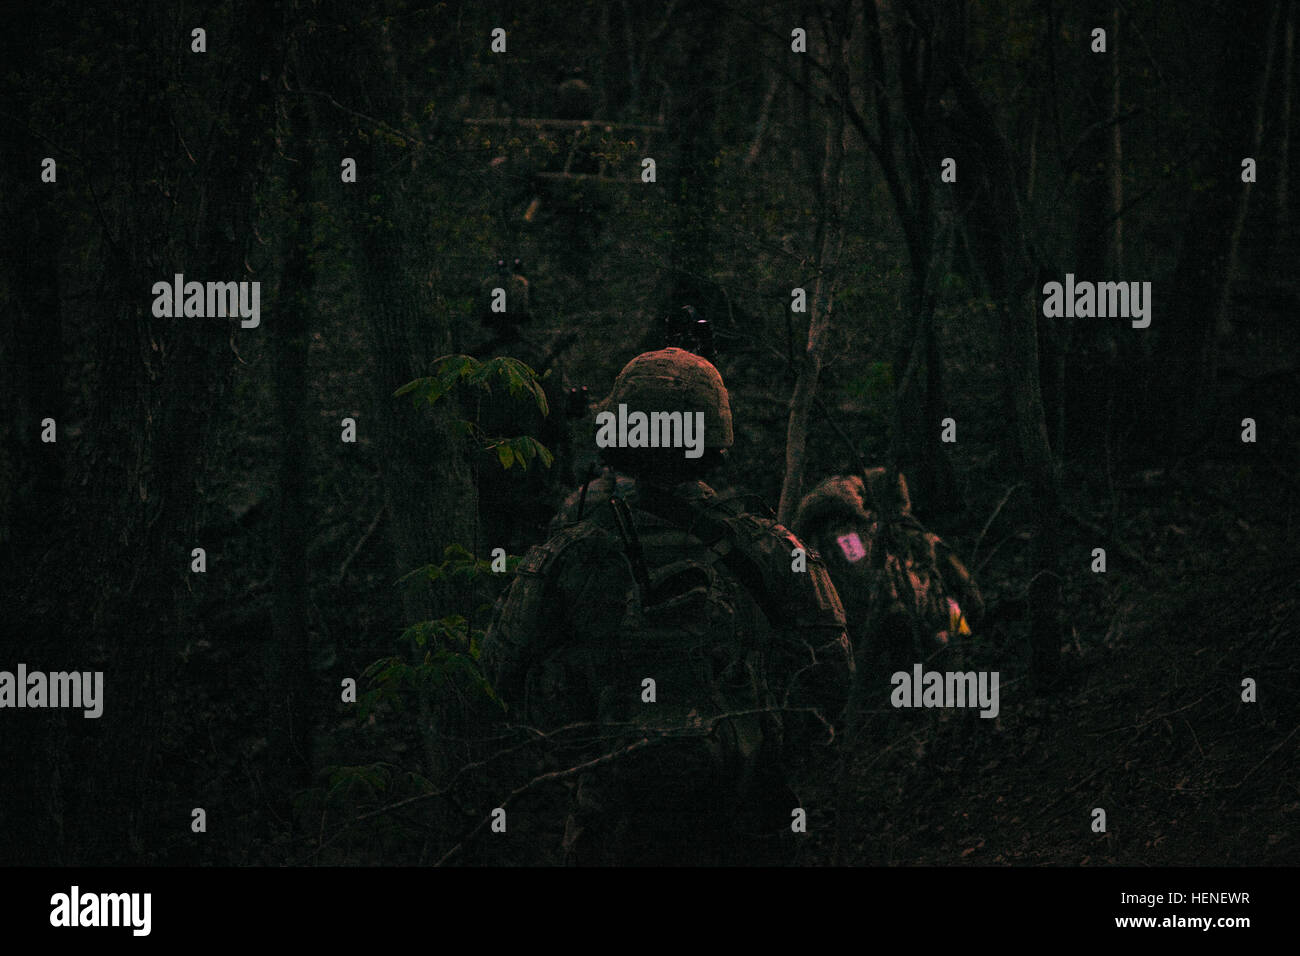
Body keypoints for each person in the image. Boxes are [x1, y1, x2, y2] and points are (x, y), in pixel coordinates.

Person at [480, 348, 853, 865]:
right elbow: (833, 676)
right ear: (716, 440)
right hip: (745, 823)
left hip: (618, 828)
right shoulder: (769, 546)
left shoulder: (570, 553)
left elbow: (499, 671)